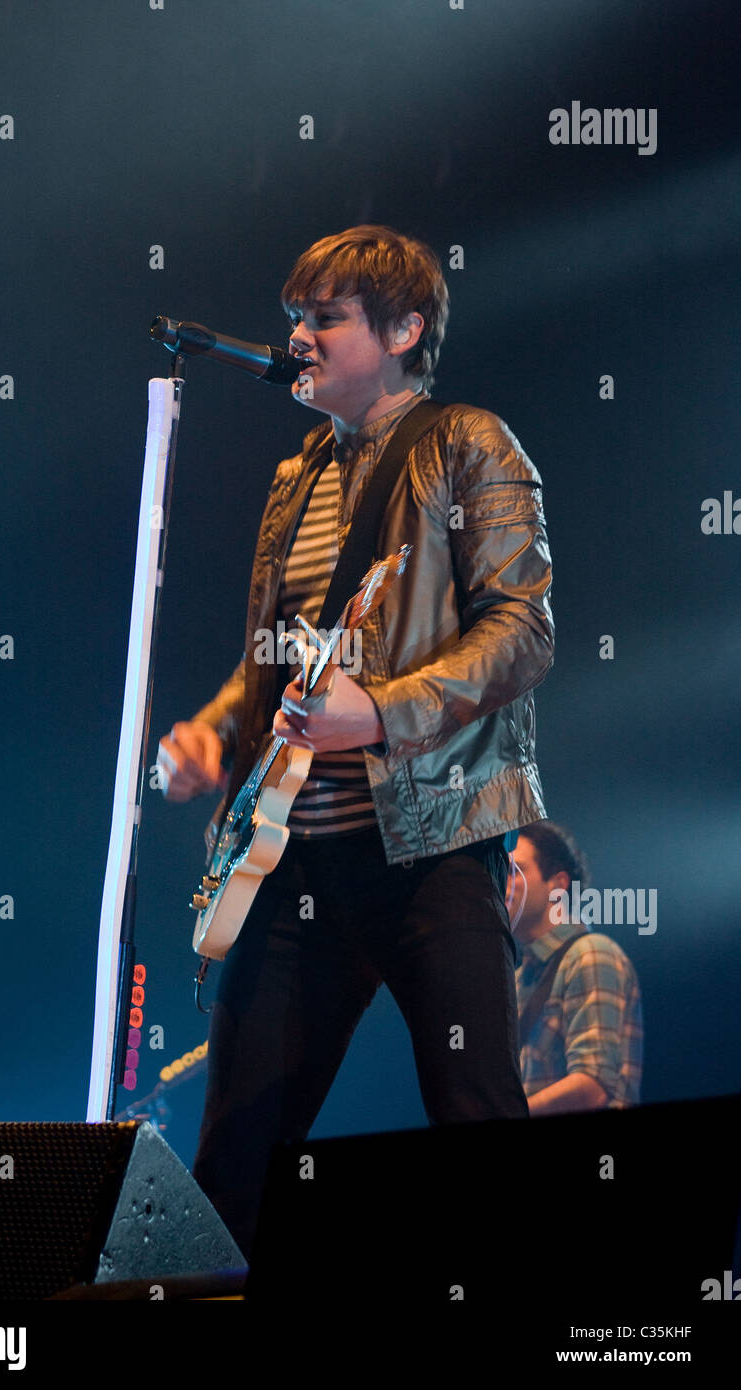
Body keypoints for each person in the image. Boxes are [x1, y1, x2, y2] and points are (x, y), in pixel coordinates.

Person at [156, 225, 555, 1259]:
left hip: (430, 847)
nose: (297, 335)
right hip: (291, 861)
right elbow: (274, 656)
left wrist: (376, 714)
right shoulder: (296, 477)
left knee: (476, 1118)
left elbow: (520, 632)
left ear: (403, 327)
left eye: (322, 316)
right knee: (230, 1162)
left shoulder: (468, 444)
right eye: (297, 314)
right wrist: (206, 735)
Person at [509, 821, 643, 1114]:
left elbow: (593, 1086)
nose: (501, 882)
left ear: (558, 885)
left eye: (514, 871)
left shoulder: (591, 954)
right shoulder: (519, 978)